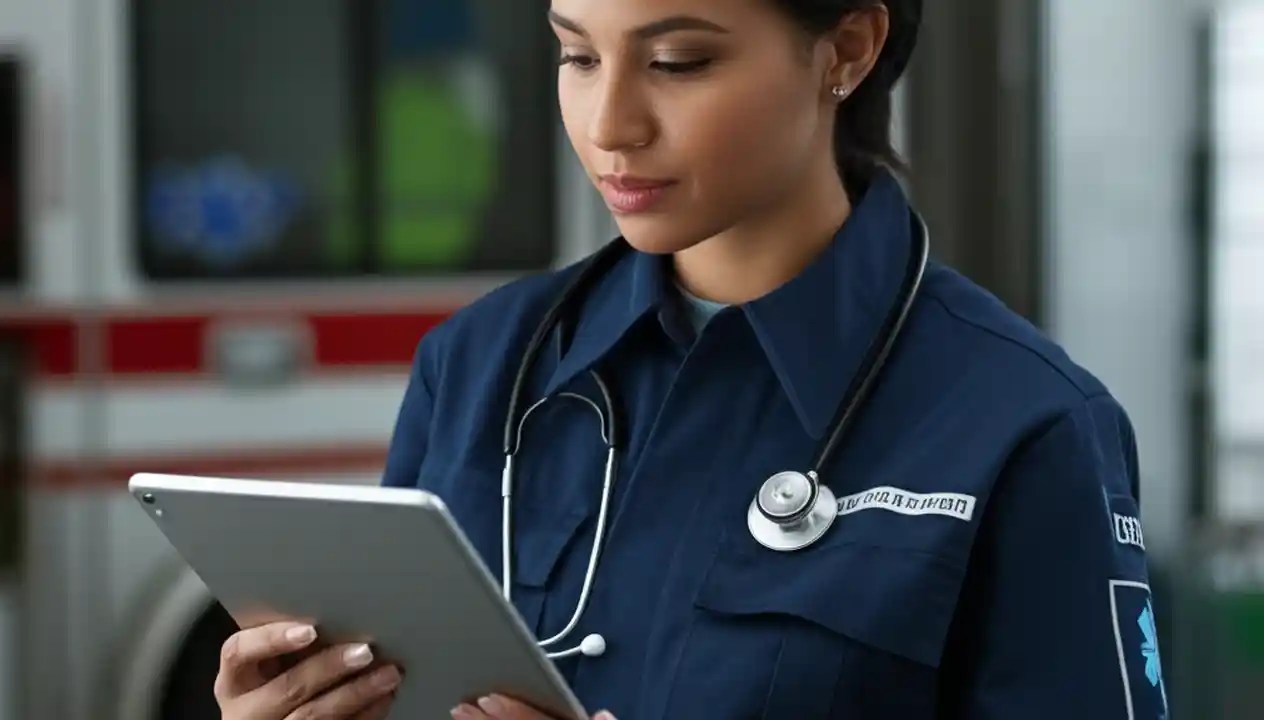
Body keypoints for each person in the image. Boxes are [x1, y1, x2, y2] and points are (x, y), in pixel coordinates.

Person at [214, 0, 1169, 718]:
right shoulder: (477, 365)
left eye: (677, 61)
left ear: (846, 50)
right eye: (577, 55)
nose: (610, 124)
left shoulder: (1026, 425)